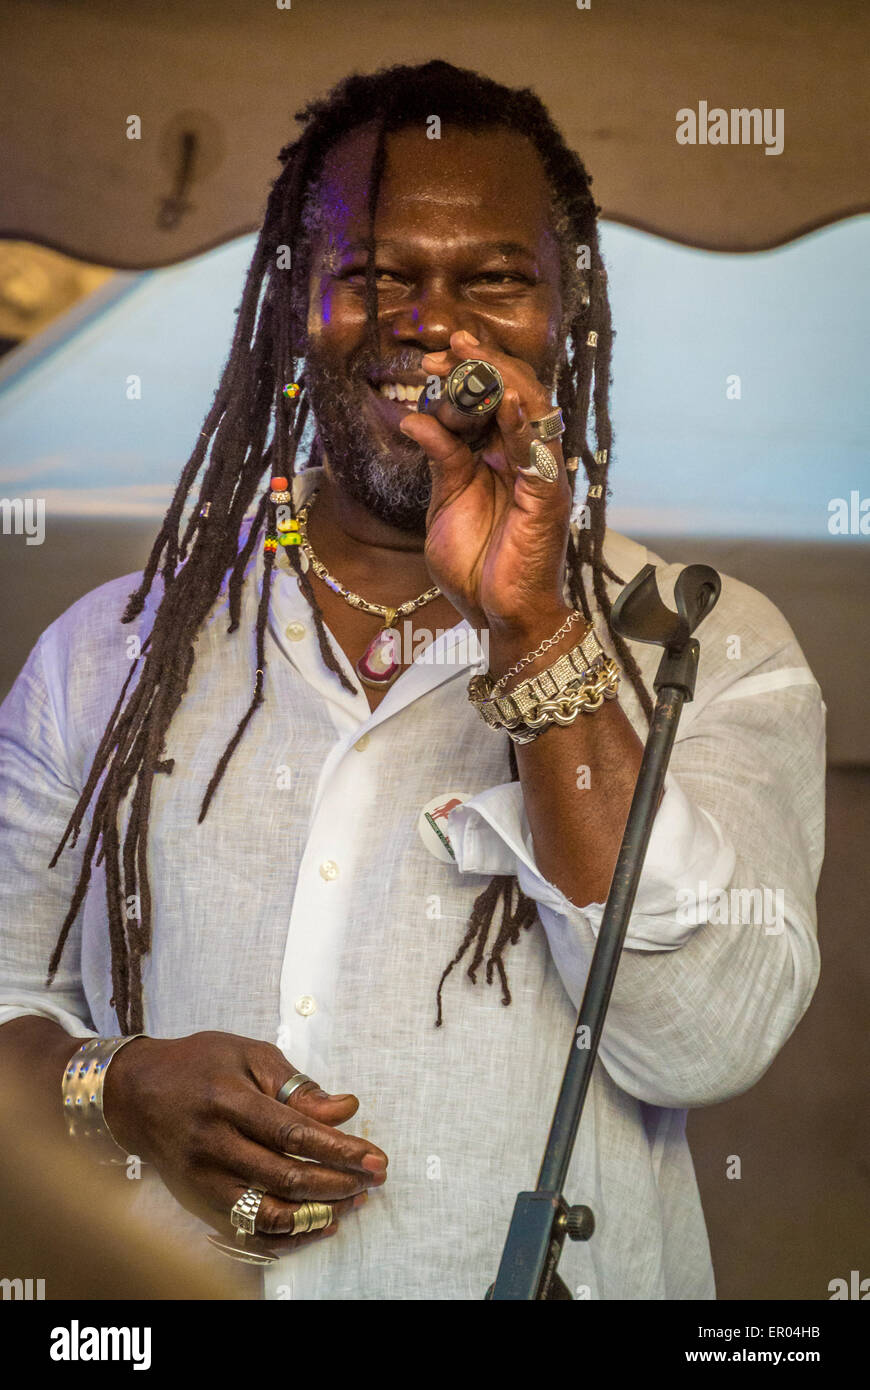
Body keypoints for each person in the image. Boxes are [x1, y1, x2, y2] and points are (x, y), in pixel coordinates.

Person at [0, 60, 825, 1300]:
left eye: (492, 277)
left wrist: (535, 623)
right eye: (373, 274)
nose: (428, 322)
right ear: (297, 308)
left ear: (567, 317)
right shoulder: (101, 653)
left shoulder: (710, 645)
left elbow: (704, 1034)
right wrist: (111, 1086)